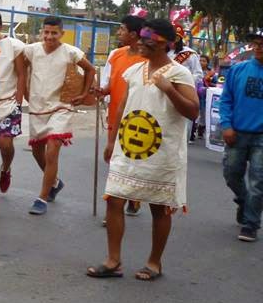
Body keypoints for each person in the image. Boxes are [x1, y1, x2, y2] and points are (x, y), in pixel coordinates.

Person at [87, 18, 198, 280]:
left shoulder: (179, 74)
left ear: (163, 44)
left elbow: (192, 111)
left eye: (147, 39)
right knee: (114, 199)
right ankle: (113, 260)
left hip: (162, 153)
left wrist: (169, 90)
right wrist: (112, 141)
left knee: (159, 207)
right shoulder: (134, 72)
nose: (141, 43)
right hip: (127, 149)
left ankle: (154, 263)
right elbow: (123, 106)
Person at [22, 16, 96, 215]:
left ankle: (42, 198)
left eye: (54, 33)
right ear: (41, 32)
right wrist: (23, 92)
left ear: (62, 34)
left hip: (62, 106)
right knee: (38, 152)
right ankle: (54, 182)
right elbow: (20, 68)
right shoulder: (31, 50)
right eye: (46, 32)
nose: (50, 36)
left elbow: (90, 69)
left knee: (52, 149)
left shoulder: (71, 52)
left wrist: (83, 93)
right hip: (37, 106)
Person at [96, 15, 146, 216]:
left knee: (131, 162)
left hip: (136, 118)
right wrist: (102, 91)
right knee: (115, 159)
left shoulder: (146, 58)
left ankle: (126, 200)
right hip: (115, 115)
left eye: (122, 29)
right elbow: (112, 83)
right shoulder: (116, 55)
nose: (118, 33)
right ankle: (119, 203)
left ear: (133, 34)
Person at [219, 31, 263, 242]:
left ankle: (250, 224)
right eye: (257, 44)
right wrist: (226, 125)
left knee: (258, 182)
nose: (259, 47)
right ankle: (244, 202)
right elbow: (225, 100)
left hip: (261, 138)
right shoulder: (238, 70)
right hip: (237, 133)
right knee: (231, 173)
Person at [0, 11, 26, 195]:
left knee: (5, 144)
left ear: (0, 28)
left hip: (7, 103)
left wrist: (19, 97)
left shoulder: (14, 46)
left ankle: (5, 168)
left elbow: (22, 73)